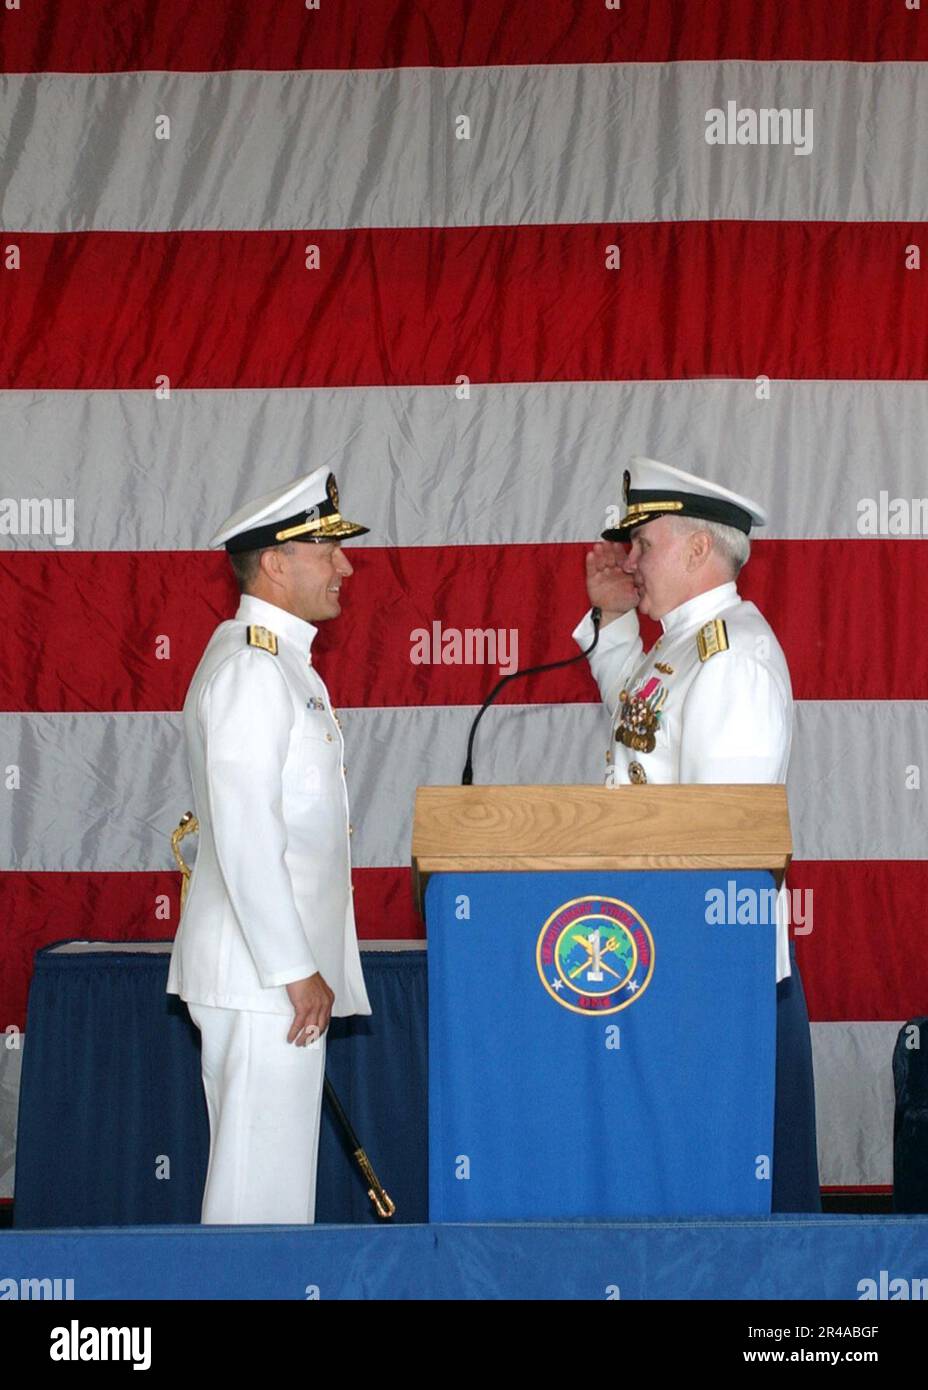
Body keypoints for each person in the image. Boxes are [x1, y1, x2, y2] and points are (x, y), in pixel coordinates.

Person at [572, 455, 820, 1212]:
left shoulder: (732, 656)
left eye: (643, 543)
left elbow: (723, 849)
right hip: (673, 964)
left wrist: (682, 985)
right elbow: (641, 725)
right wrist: (614, 618)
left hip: (711, 975)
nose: (630, 558)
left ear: (698, 549)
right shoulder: (684, 640)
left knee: (723, 1207)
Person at [167, 465, 372, 1224]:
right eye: (328, 550)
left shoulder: (280, 662)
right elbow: (250, 832)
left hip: (265, 977)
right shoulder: (255, 669)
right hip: (263, 977)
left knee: (273, 1192)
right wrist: (294, 968)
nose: (345, 566)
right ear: (277, 562)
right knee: (257, 1199)